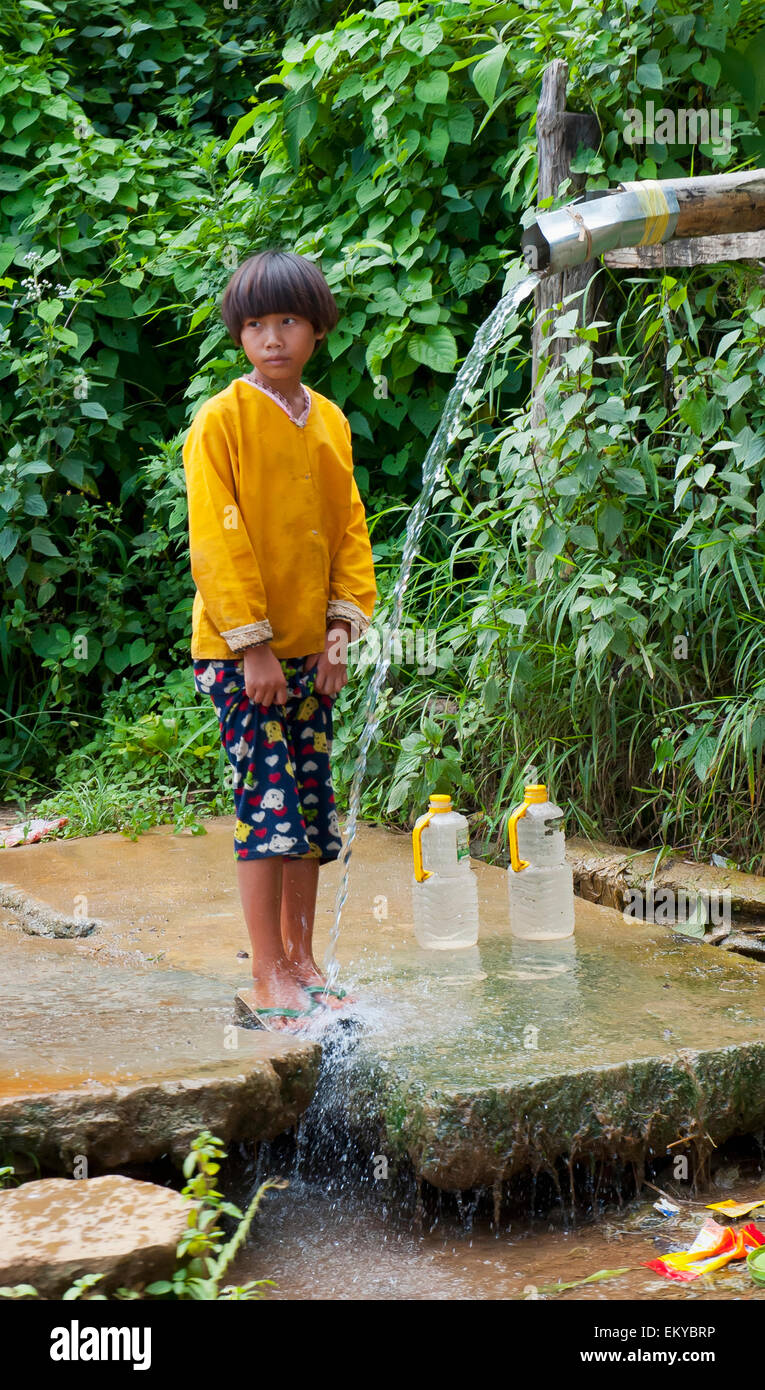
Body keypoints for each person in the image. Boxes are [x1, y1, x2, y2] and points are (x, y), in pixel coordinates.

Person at [183, 249, 377, 1031]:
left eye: (288, 322)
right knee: (268, 810)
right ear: (239, 335)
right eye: (256, 324)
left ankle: (304, 960)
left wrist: (339, 633)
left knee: (310, 810)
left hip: (310, 655)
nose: (272, 338)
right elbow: (216, 542)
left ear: (317, 330)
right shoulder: (221, 420)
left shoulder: (327, 419)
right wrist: (253, 646)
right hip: (242, 659)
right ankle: (267, 970)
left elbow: (349, 528)